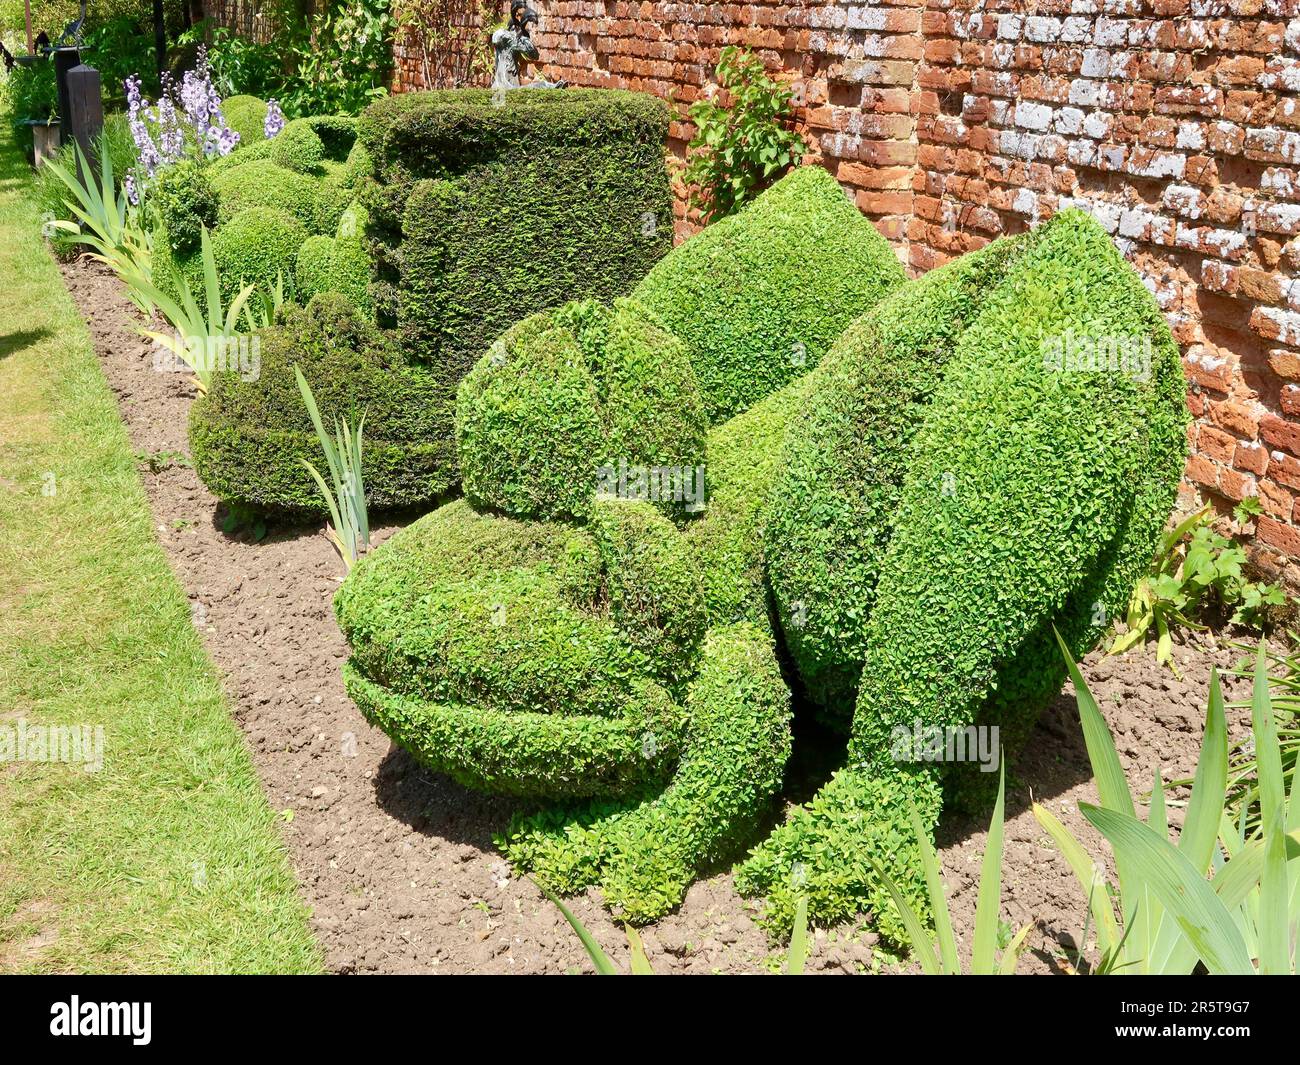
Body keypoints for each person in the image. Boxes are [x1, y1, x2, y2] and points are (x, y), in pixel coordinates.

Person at [491, 3, 567, 90]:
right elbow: (496, 38)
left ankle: (553, 87)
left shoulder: (516, 43)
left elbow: (534, 55)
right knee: (537, 86)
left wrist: (523, 33)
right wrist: (515, 36)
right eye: (514, 29)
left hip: (512, 86)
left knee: (540, 85)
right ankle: (552, 87)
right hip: (502, 86)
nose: (515, 32)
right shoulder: (502, 36)